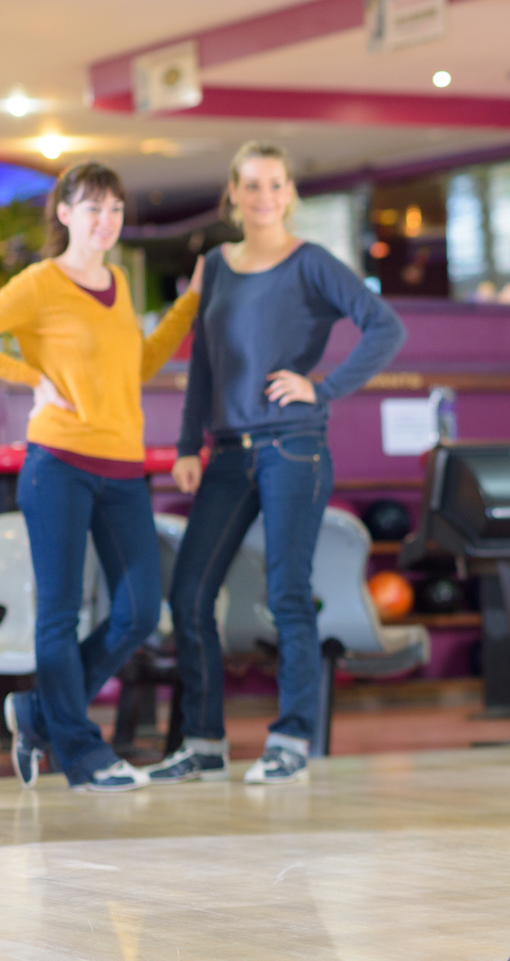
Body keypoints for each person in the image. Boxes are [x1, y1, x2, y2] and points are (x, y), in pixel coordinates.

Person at [146, 142, 405, 785]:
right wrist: (187, 446)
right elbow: (204, 365)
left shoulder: (311, 262)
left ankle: (291, 738)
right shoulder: (215, 266)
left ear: (290, 194)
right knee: (189, 592)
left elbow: (384, 327)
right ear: (233, 194)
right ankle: (204, 741)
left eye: (276, 184)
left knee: (288, 592)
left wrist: (323, 387)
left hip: (294, 446)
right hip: (227, 454)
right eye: (253, 185)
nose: (264, 196)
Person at [0, 162, 200, 792]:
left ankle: (39, 715)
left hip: (122, 469)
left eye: (116, 209)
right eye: (93, 208)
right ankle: (82, 758)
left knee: (139, 612)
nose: (106, 221)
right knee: (60, 615)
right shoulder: (40, 283)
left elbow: (137, 366)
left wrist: (188, 304)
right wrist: (34, 378)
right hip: (58, 465)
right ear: (64, 213)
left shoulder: (118, 281)